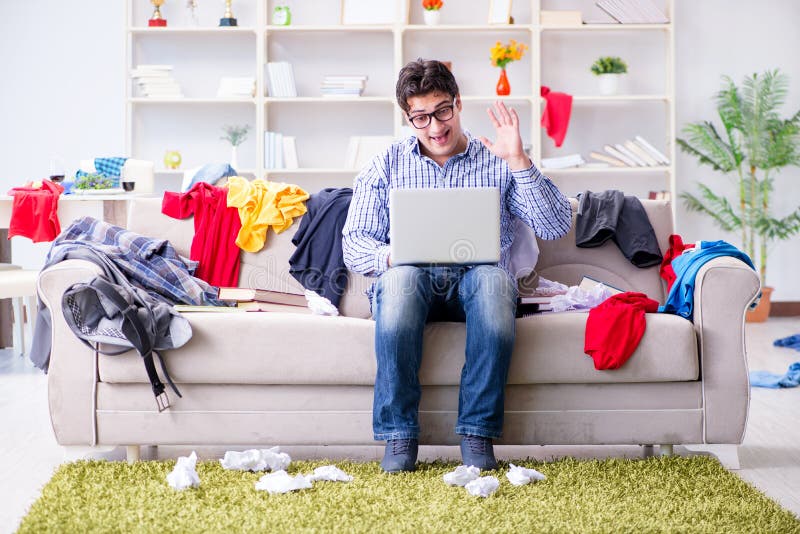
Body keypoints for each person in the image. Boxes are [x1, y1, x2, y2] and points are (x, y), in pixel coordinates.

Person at [342, 58, 572, 473]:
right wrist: (394, 255)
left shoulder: (497, 159)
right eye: (421, 117)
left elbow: (555, 225)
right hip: (411, 279)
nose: (435, 127)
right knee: (398, 282)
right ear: (408, 118)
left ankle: (477, 433)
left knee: (494, 282)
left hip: (478, 280)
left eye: (442, 111)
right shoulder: (386, 163)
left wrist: (518, 160)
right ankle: (398, 434)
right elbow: (354, 244)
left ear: (458, 102)